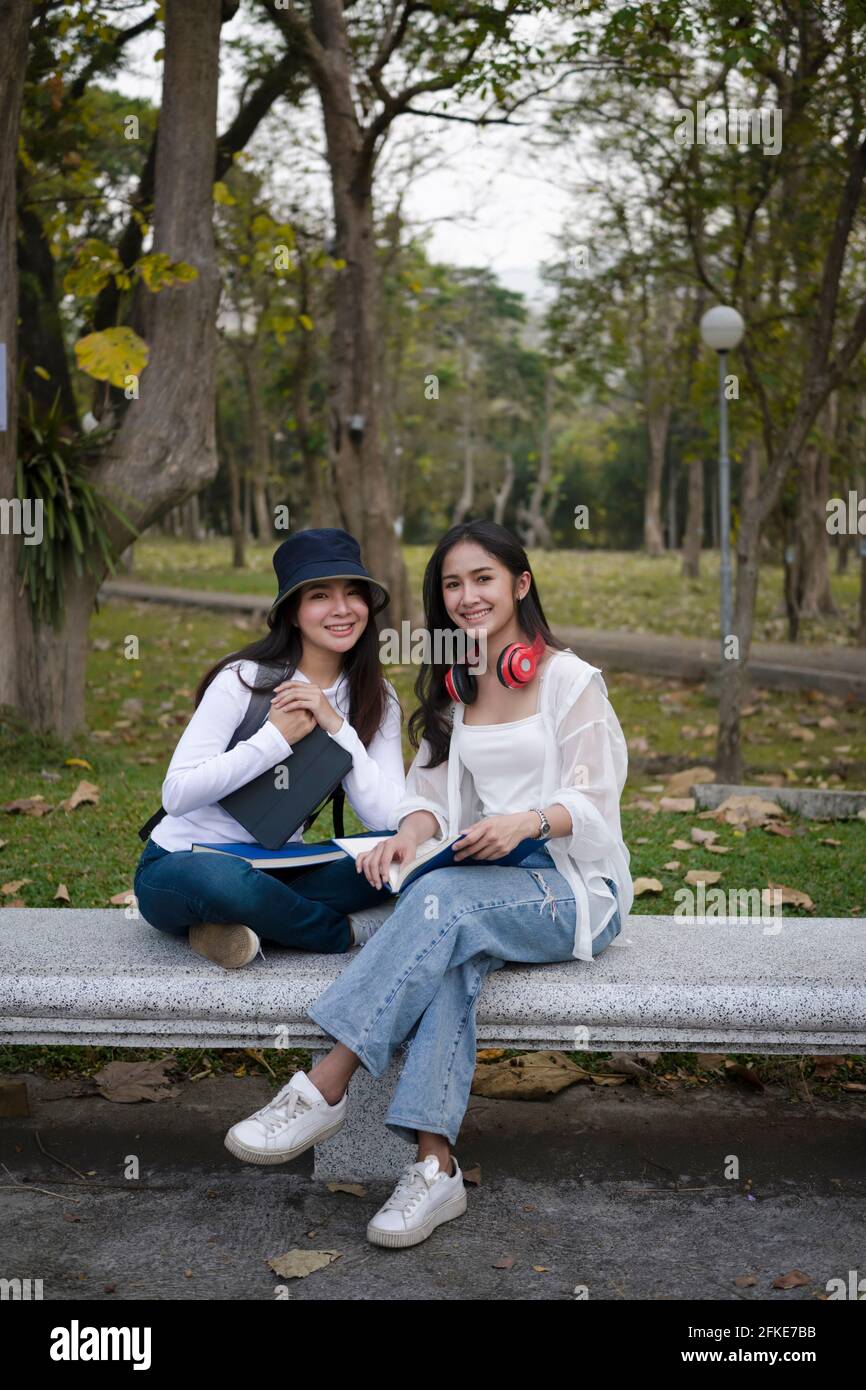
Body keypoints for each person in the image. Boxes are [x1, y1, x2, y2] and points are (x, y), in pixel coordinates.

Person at [224, 520, 633, 1248]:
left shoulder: (571, 681)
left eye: (483, 579)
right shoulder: (456, 685)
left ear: (520, 584)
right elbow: (430, 799)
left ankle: (323, 1085)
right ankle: (434, 1169)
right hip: (482, 891)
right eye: (452, 584)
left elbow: (598, 806)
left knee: (441, 907)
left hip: (570, 889)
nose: (468, 596)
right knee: (450, 944)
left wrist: (529, 822)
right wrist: (409, 837)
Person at [133, 529, 405, 968]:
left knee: (404, 852)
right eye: (320, 595)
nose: (342, 609)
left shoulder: (377, 696)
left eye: (353, 594)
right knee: (225, 884)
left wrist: (337, 727)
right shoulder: (244, 681)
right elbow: (176, 794)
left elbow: (389, 817)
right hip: (187, 865)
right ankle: (343, 933)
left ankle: (232, 927)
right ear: (293, 613)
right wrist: (273, 740)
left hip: (280, 868)